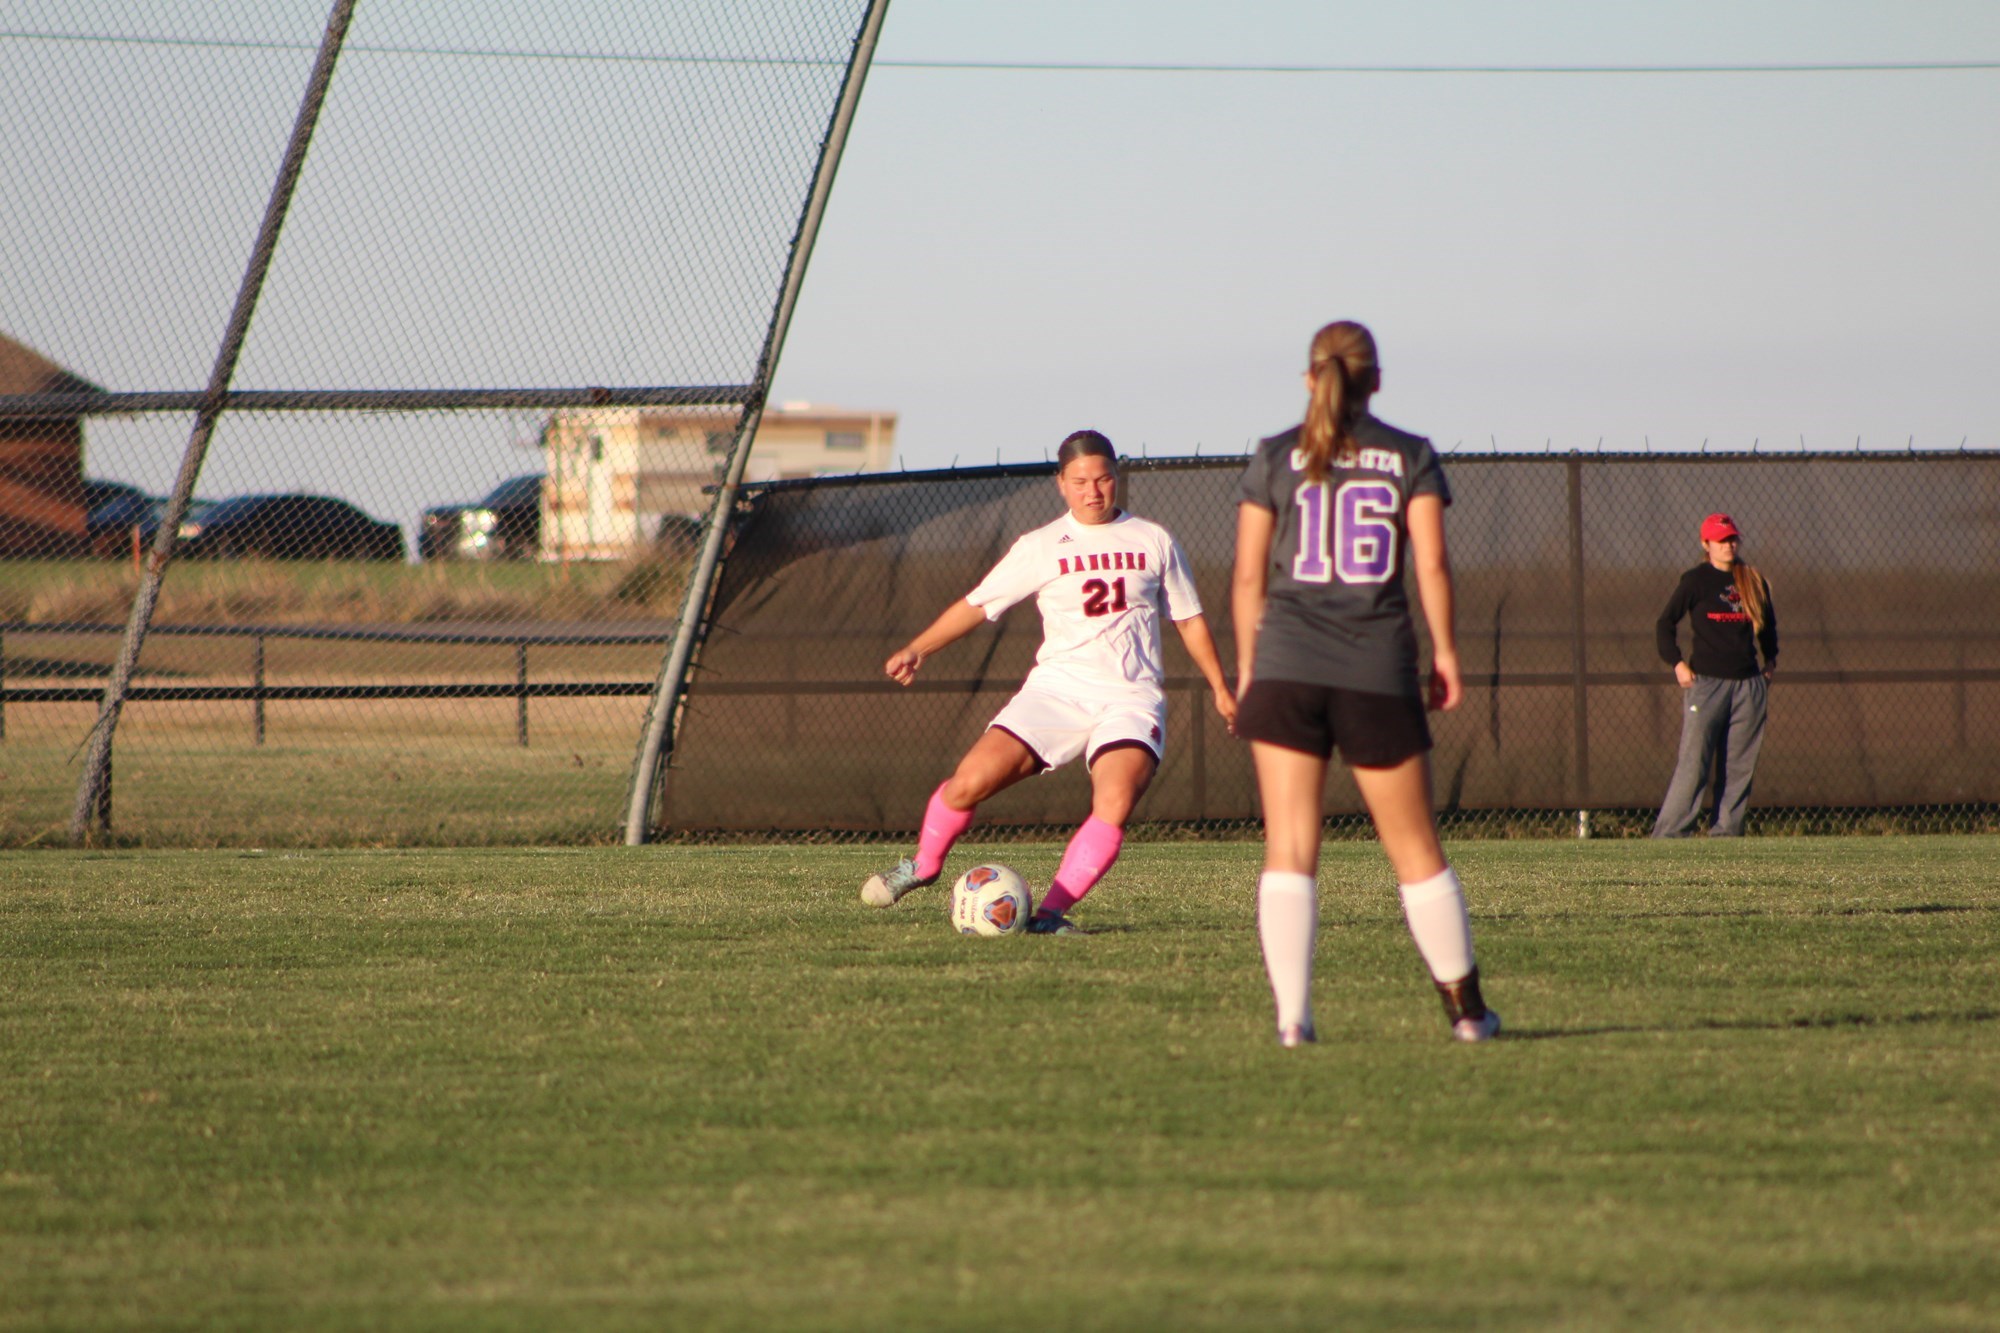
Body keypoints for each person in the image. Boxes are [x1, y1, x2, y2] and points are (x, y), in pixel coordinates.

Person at [1231, 319, 1499, 1046]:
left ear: (1309, 378)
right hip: (1376, 666)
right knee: (1415, 849)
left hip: (1286, 661)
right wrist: (1445, 652)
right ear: (1375, 379)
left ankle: (1293, 1018)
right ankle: (1466, 1012)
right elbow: (1431, 566)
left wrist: (1253, 666)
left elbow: (1250, 574)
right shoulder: (1408, 454)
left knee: (1289, 846)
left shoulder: (1274, 455)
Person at [860, 430, 1237, 932]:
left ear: (1116, 479)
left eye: (1103, 479)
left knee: (1114, 801)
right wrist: (917, 648)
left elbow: (1189, 619)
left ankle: (1051, 915)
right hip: (1056, 693)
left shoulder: (1154, 540)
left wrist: (1220, 687)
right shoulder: (1040, 546)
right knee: (967, 783)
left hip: (1130, 699)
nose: (1093, 491)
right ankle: (923, 866)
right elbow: (978, 604)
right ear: (1061, 483)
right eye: (1080, 481)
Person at [1651, 513, 1779, 837]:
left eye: (1732, 539)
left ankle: (1726, 832)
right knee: (1694, 762)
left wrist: (1769, 664)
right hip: (1707, 685)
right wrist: (1677, 664)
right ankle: (1671, 833)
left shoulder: (1752, 579)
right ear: (1705, 544)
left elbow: (1768, 629)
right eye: (1721, 540)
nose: (1728, 545)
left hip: (1748, 686)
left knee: (1737, 767)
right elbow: (1664, 625)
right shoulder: (1696, 581)